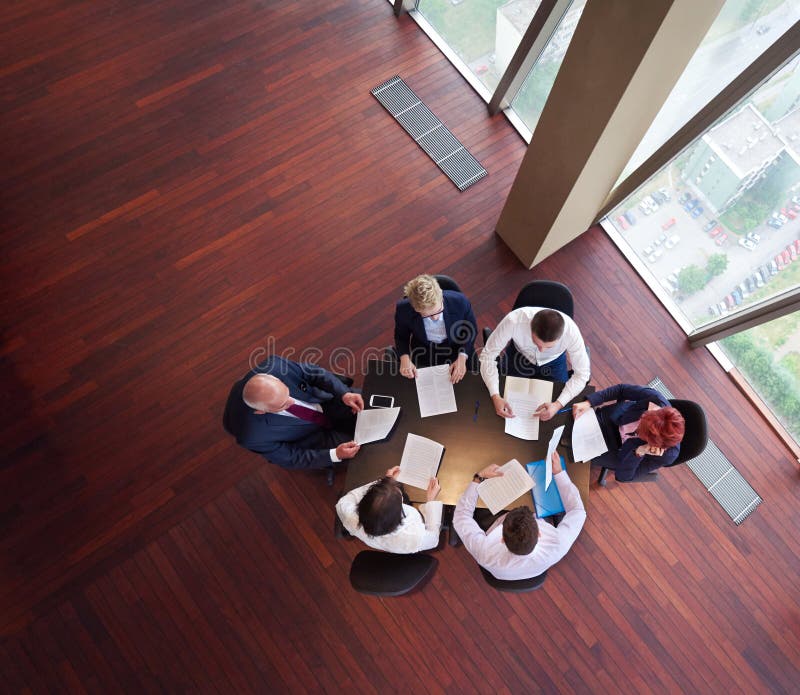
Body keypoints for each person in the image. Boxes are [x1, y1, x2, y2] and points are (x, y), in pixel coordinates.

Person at [453, 452, 585, 580]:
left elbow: (460, 517)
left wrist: (479, 478)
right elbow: (578, 510)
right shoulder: (558, 544)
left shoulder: (485, 553)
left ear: (502, 539)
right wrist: (559, 473)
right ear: (539, 533)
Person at [223, 355, 363, 469]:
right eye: (283, 405)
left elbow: (313, 372)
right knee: (362, 451)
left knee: (370, 403)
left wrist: (344, 393)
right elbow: (292, 458)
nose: (292, 402)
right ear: (261, 411)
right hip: (309, 437)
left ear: (276, 379)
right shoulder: (253, 437)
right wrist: (335, 454)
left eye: (287, 393)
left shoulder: (276, 366)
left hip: (324, 401)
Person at [480, 306, 589, 421]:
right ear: (531, 326)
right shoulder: (514, 321)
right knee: (504, 392)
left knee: (557, 403)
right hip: (519, 356)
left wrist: (558, 404)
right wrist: (495, 396)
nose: (541, 350)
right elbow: (487, 356)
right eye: (536, 343)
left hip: (554, 362)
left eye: (549, 347)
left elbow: (582, 375)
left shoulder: (571, 333)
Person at [572, 383, 685, 482]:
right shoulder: (656, 399)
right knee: (570, 419)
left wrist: (639, 453)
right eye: (643, 419)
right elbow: (622, 389)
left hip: (617, 450)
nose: (638, 427)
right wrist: (589, 402)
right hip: (612, 420)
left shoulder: (667, 456)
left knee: (571, 453)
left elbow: (624, 477)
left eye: (641, 431)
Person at [336, 466, 442, 553]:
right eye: (400, 497)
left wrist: (386, 483)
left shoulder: (351, 518)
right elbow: (434, 539)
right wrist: (431, 500)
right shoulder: (414, 536)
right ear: (399, 516)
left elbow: (343, 501)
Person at [394, 274, 477, 384]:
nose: (435, 318)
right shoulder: (403, 309)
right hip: (425, 351)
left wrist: (462, 357)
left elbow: (470, 330)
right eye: (427, 315)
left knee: (473, 383)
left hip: (458, 347)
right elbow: (401, 336)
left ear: (441, 296)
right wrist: (405, 358)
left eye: (439, 310)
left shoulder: (460, 302)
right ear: (415, 308)